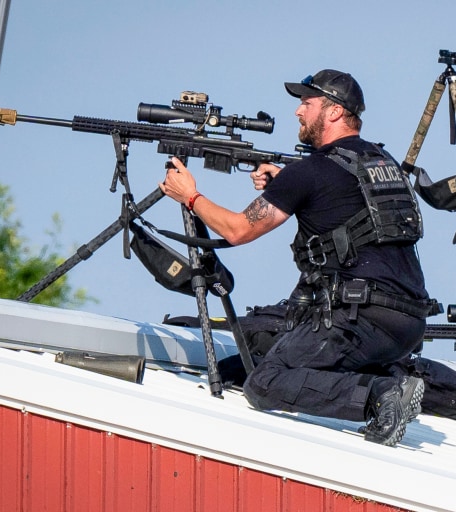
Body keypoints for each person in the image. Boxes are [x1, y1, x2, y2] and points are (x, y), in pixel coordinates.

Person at [160, 69, 436, 447]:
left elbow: (237, 230)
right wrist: (287, 182)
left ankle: (381, 394)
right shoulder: (380, 162)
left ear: (334, 111)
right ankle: (389, 382)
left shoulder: (309, 172)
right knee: (266, 358)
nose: (298, 111)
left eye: (307, 103)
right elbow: (340, 200)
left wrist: (190, 196)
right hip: (409, 323)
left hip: (359, 318)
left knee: (263, 381)